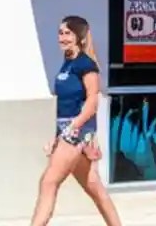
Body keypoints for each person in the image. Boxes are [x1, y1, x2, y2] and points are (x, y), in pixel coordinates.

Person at [30, 16, 121, 226]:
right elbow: (63, 106)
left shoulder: (86, 65)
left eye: (67, 33)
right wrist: (56, 137)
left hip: (77, 132)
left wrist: (73, 127)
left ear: (79, 37)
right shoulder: (67, 64)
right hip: (66, 130)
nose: (62, 37)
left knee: (48, 182)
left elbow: (92, 103)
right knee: (94, 188)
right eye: (60, 33)